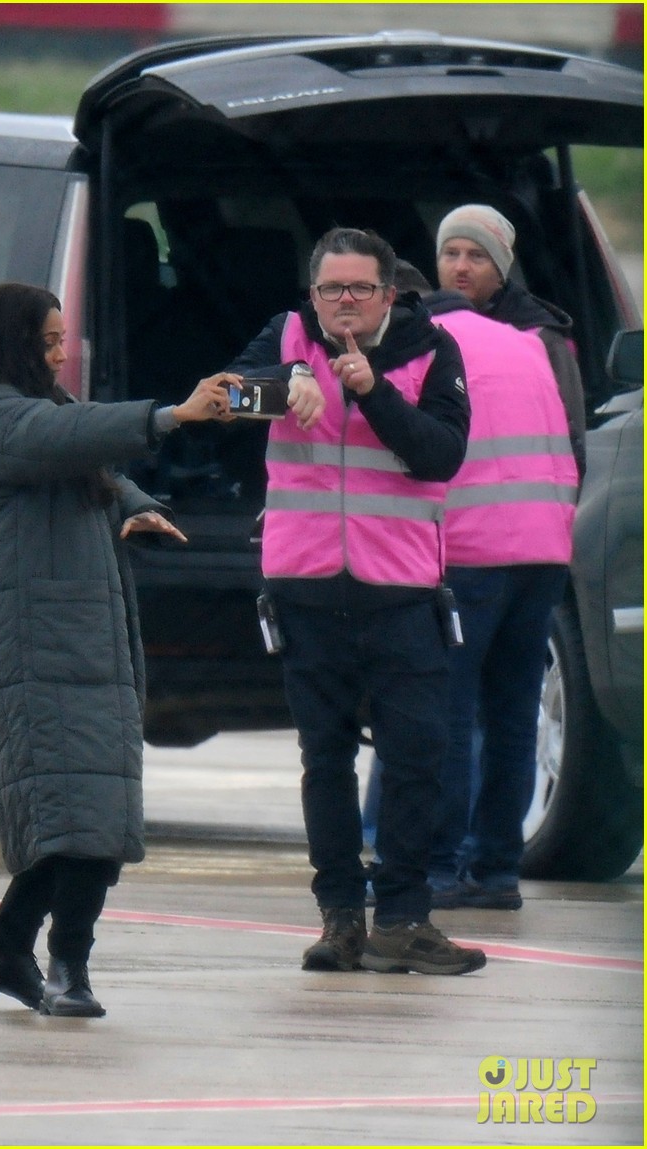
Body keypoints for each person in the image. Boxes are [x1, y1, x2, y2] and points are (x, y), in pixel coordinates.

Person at [0, 282, 239, 1017]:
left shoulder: (45, 411)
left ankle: (8, 946)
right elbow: (70, 442)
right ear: (11, 342)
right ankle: (66, 966)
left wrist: (140, 506)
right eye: (46, 340)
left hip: (89, 641)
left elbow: (100, 472)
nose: (58, 350)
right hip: (37, 650)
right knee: (76, 822)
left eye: (61, 338)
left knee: (97, 818)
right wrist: (173, 414)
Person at [226, 227, 485, 975]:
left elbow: (440, 452)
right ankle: (339, 917)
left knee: (416, 753)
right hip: (306, 582)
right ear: (312, 294)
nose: (345, 303)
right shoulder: (286, 336)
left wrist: (369, 391)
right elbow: (222, 398)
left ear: (389, 294)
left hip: (401, 587)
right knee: (325, 757)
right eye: (331, 289)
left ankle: (402, 916)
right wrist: (284, 383)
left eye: (360, 290)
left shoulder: (431, 351)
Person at [392, 260, 580, 909]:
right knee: (512, 712)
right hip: (544, 547)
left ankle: (439, 865)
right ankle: (497, 869)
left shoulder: (423, 344)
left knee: (444, 709)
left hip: (472, 550)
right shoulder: (523, 340)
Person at [435, 203, 586, 478]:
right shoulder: (423, 330)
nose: (460, 267)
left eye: (477, 256)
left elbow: (573, 440)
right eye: (450, 254)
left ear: (501, 269)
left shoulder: (543, 338)